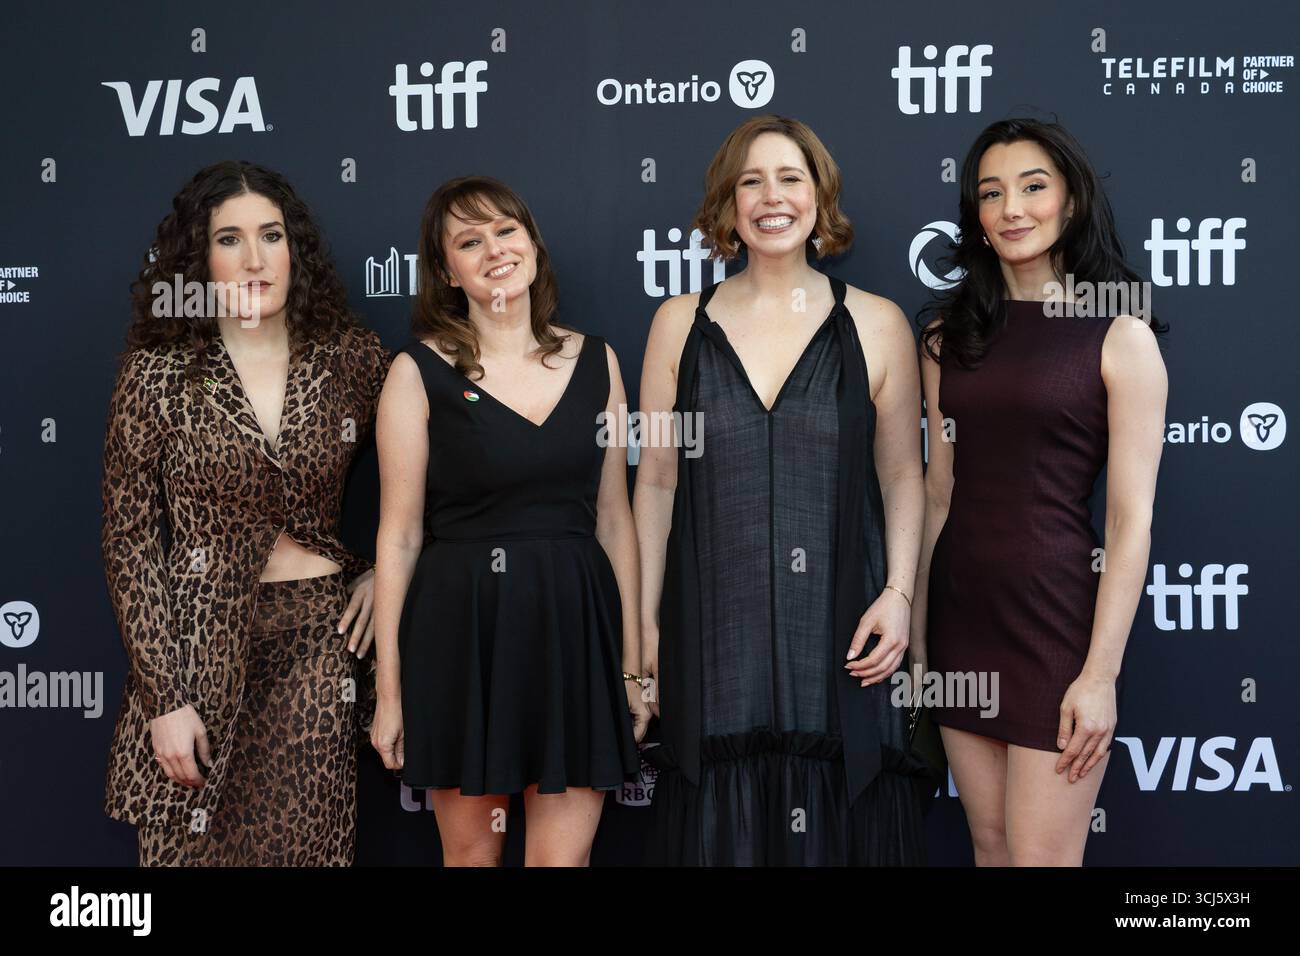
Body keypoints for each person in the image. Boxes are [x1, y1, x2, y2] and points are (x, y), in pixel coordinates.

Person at [636, 115, 930, 865]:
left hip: (843, 641)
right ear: (727, 205)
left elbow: (902, 473)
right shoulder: (679, 324)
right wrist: (644, 632)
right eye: (751, 181)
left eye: (790, 178)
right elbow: (659, 485)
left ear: (819, 196)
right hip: (712, 645)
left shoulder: (878, 322)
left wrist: (899, 593)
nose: (772, 197)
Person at [101, 160, 391, 865]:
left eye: (272, 235)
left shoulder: (351, 358)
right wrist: (162, 698)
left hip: (318, 651)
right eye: (229, 239)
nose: (255, 259)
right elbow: (129, 539)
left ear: (297, 249)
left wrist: (389, 572)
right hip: (195, 655)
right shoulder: (157, 371)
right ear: (198, 259)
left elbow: (450, 472)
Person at [370, 176, 651, 866]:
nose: (494, 249)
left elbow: (614, 520)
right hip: (463, 640)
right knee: (472, 861)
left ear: (532, 241)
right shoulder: (416, 373)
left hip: (575, 634)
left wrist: (635, 667)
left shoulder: (598, 363)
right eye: (469, 240)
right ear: (446, 270)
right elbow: (400, 536)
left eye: (506, 230)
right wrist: (390, 689)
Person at [914, 117, 1168, 866]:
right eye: (991, 193)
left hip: (1055, 630)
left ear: (1072, 203)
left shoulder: (1120, 337)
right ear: (976, 216)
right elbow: (937, 495)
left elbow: (1129, 521)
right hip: (963, 622)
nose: (1012, 208)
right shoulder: (945, 339)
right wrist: (925, 652)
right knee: (991, 851)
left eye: (1033, 187)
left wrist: (1099, 676)